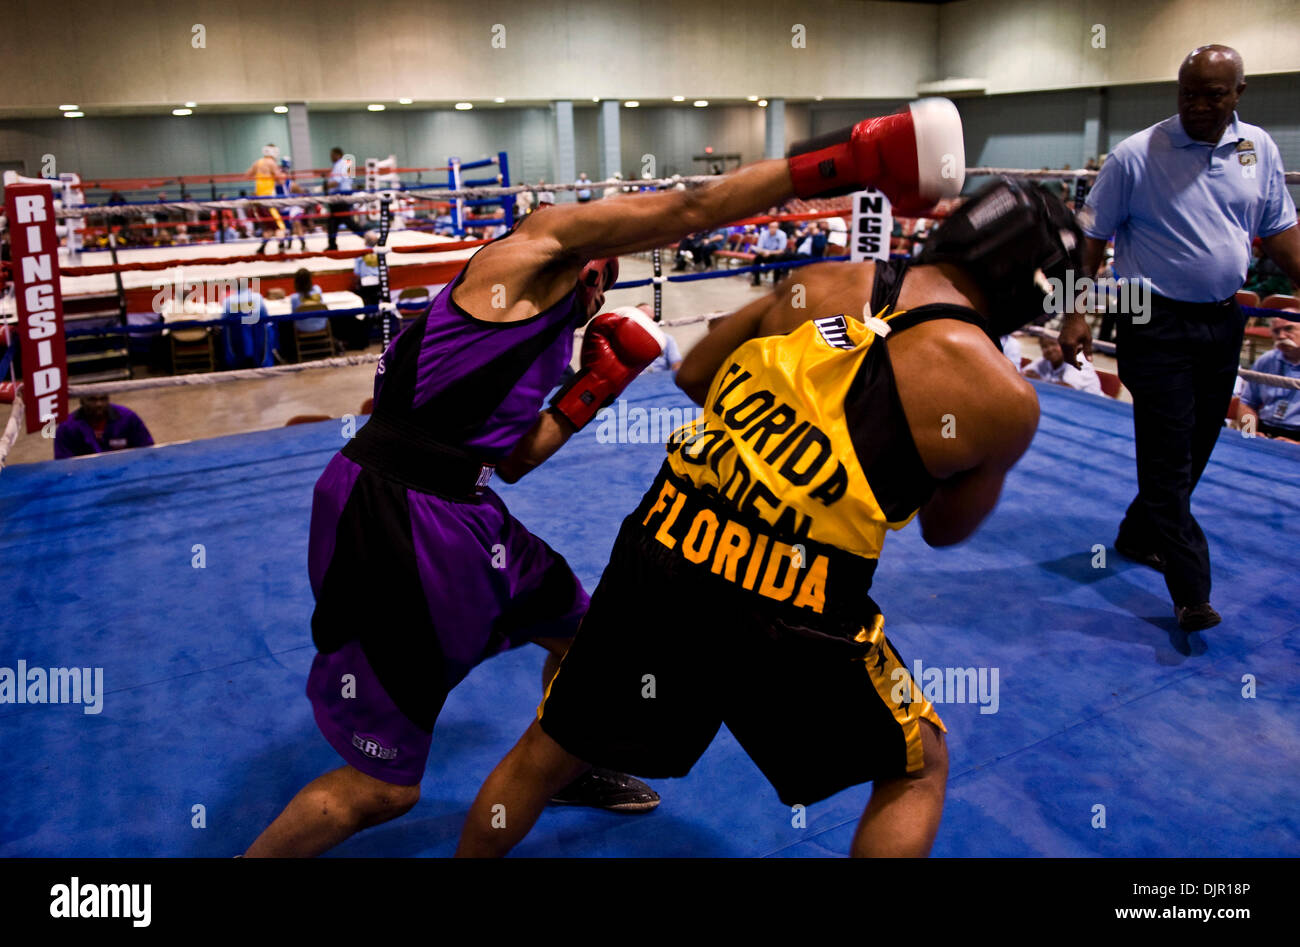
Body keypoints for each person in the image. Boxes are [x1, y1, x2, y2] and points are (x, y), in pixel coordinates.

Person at [243, 98, 965, 858]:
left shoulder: (540, 332)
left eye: (604, 288)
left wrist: (591, 390)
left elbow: (514, 460)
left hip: (456, 507)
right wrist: (848, 162)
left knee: (586, 639)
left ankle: (568, 764)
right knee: (383, 788)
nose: (596, 293)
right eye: (599, 271)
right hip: (401, 516)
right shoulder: (527, 251)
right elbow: (691, 207)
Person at [454, 176, 1080, 859]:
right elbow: (943, 529)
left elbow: (695, 374)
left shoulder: (824, 281)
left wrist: (774, 431)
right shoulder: (1002, 397)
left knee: (550, 747)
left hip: (665, 545)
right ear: (1035, 286)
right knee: (918, 766)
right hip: (796, 601)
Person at [1067, 44, 1300, 632]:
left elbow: (1279, 230)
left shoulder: (1258, 149)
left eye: (1212, 95)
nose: (1197, 105)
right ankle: (1191, 590)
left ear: (1238, 93)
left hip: (1222, 319)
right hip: (1150, 319)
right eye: (1187, 93)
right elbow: (1089, 239)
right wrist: (1072, 312)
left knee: (1196, 446)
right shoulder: (1135, 155)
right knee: (1169, 454)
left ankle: (1136, 534)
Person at [1238, 314, 1300, 441]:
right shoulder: (1266, 360)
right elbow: (1247, 403)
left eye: (1289, 329)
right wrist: (1249, 432)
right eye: (1276, 331)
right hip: (1264, 432)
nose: (1281, 336)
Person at [53, 394, 154, 459]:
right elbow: (63, 463)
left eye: (103, 399)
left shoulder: (128, 418)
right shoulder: (67, 427)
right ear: (82, 401)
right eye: (92, 399)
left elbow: (148, 450)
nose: (99, 404)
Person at [1021, 337, 1104, 395]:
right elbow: (1022, 375)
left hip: (1097, 405)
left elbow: (1067, 389)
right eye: (1044, 347)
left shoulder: (1078, 359)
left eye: (1053, 344)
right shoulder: (1044, 360)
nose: (1049, 349)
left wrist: (1041, 381)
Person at [247, 145, 287, 255]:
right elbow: (281, 181)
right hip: (268, 200)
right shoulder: (272, 163)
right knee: (280, 226)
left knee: (269, 227)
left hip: (258, 200)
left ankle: (261, 249)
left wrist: (262, 177)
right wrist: (282, 173)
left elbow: (248, 175)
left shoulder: (257, 163)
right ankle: (281, 248)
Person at [325, 147, 368, 250]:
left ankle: (368, 236)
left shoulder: (340, 165)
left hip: (340, 196)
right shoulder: (345, 164)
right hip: (343, 195)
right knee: (333, 221)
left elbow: (336, 182)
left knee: (346, 221)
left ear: (338, 155)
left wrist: (324, 186)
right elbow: (349, 181)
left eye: (332, 155)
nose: (330, 157)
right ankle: (332, 245)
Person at [636, 302, 682, 372]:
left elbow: (676, 363)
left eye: (649, 318)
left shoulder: (667, 339)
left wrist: (676, 374)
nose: (646, 321)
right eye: (642, 318)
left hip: (661, 377)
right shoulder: (627, 342)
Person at [751, 221, 790, 286]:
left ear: (777, 227)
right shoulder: (764, 234)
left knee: (778, 259)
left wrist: (769, 252)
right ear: (768, 227)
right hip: (764, 253)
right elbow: (759, 247)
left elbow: (781, 250)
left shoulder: (782, 234)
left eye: (775, 227)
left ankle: (775, 281)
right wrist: (763, 252)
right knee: (757, 259)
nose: (773, 229)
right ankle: (756, 281)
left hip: (776, 254)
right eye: (771, 227)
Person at [290, 268, 328, 333]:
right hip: (321, 325)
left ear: (296, 282)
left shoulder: (294, 298)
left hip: (303, 328)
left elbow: (293, 316)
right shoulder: (318, 290)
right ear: (310, 280)